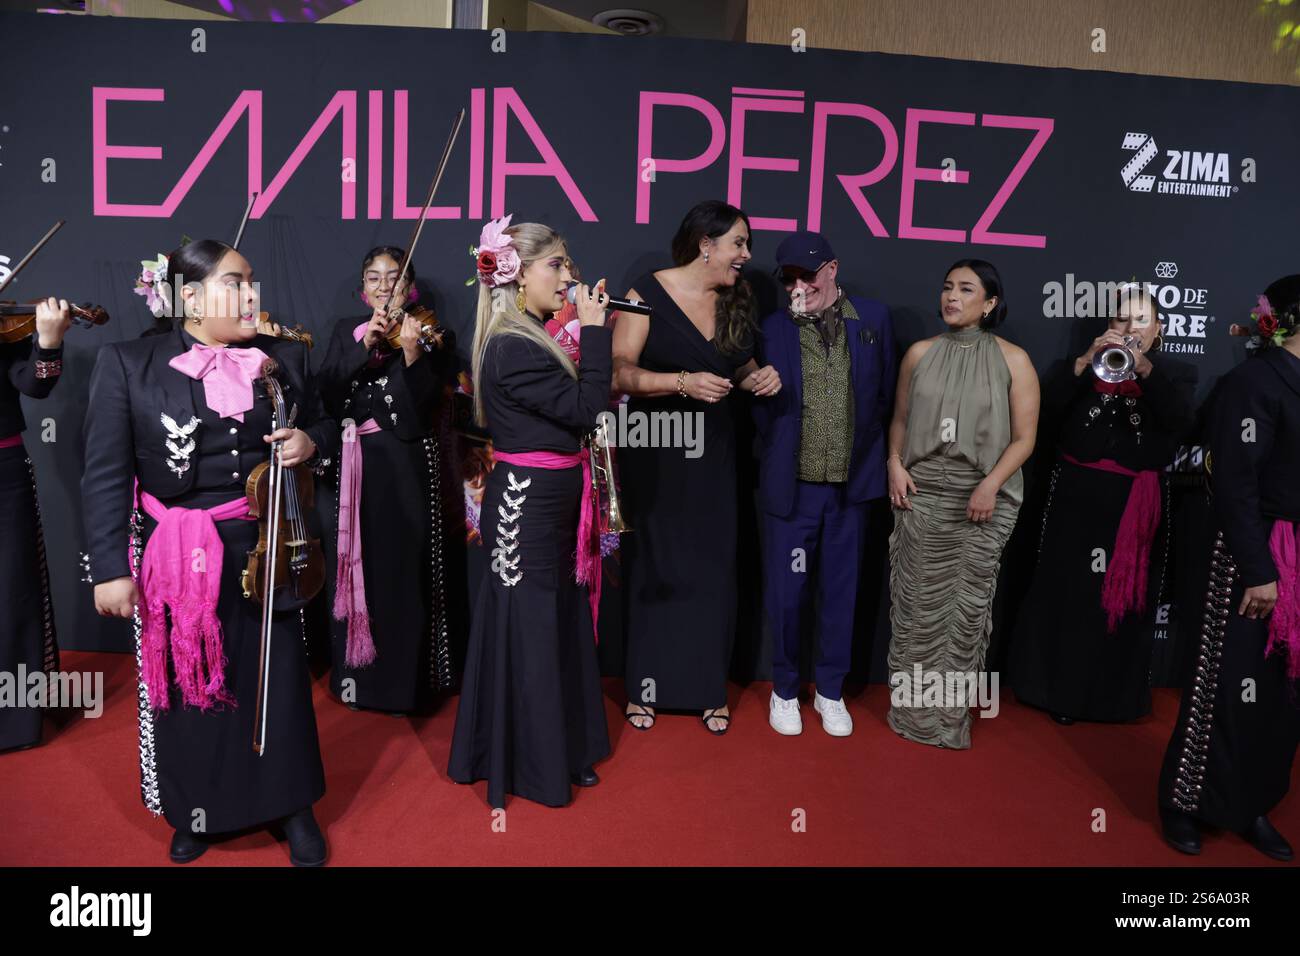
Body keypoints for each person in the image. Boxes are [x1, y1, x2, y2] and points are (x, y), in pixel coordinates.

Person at [82, 239, 336, 865]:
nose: (254, 295)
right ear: (189, 297)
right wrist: (111, 570)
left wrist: (310, 440)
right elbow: (105, 475)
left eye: (254, 281)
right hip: (174, 558)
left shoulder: (282, 359)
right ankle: (198, 805)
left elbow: (329, 427)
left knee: (273, 679)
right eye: (236, 283)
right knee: (189, 680)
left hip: (264, 542)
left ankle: (292, 802)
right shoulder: (127, 363)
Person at [447, 215, 613, 808]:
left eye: (566, 263)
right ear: (519, 277)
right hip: (526, 509)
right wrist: (595, 333)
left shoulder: (533, 335)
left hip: (555, 506)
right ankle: (532, 764)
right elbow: (588, 407)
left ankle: (565, 748)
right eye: (558, 264)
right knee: (532, 627)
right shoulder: (513, 345)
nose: (570, 276)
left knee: (560, 621)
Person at [615, 200, 781, 735]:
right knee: (656, 565)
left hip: (716, 454)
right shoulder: (645, 292)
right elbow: (619, 372)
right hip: (657, 452)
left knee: (712, 567)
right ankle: (646, 686)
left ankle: (708, 688)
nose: (746, 255)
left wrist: (761, 378)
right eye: (738, 243)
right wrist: (679, 383)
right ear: (705, 244)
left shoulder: (739, 296)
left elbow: (743, 363)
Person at [1158, 274, 1300, 861]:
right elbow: (1235, 482)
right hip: (1253, 553)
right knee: (1223, 686)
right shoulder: (1253, 381)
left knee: (1280, 695)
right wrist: (1258, 568)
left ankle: (1251, 805)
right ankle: (1186, 804)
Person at [1010, 285, 1195, 723]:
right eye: (1120, 320)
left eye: (1140, 321)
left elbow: (1183, 425)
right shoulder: (1078, 368)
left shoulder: (1176, 374)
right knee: (1070, 593)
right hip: (1076, 497)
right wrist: (1078, 367)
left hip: (1134, 505)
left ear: (1158, 330)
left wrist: (1147, 372)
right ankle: (1056, 694)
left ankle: (1111, 699)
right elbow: (1045, 420)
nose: (1129, 329)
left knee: (1121, 603)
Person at [885, 259, 1039, 749]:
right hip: (920, 494)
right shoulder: (919, 354)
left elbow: (1025, 439)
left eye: (966, 289)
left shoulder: (1014, 360)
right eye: (948, 287)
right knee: (914, 608)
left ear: (990, 303)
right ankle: (910, 715)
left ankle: (944, 720)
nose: (952, 296)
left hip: (981, 501)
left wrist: (991, 484)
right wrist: (893, 462)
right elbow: (901, 422)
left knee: (960, 614)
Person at [753, 231, 896, 736]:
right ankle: (786, 691)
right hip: (792, 489)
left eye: (807, 275)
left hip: (851, 489)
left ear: (832, 270)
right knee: (787, 596)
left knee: (841, 593)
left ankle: (831, 692)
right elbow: (759, 408)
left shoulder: (874, 320)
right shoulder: (771, 328)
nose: (799, 285)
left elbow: (884, 399)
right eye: (789, 277)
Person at [318, 246, 454, 715]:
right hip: (353, 468)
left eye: (392, 278)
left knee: (401, 570)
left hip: (403, 467)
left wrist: (413, 355)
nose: (382, 286)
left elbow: (420, 417)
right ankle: (355, 681)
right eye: (373, 277)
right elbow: (326, 395)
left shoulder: (431, 334)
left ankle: (406, 688)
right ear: (362, 287)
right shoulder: (344, 333)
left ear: (409, 286)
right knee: (354, 565)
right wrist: (363, 348)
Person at [0, 298, 71, 753]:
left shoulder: (7, 329)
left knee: (12, 587)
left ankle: (11, 720)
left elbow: (35, 386)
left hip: (2, 469)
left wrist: (48, 341)